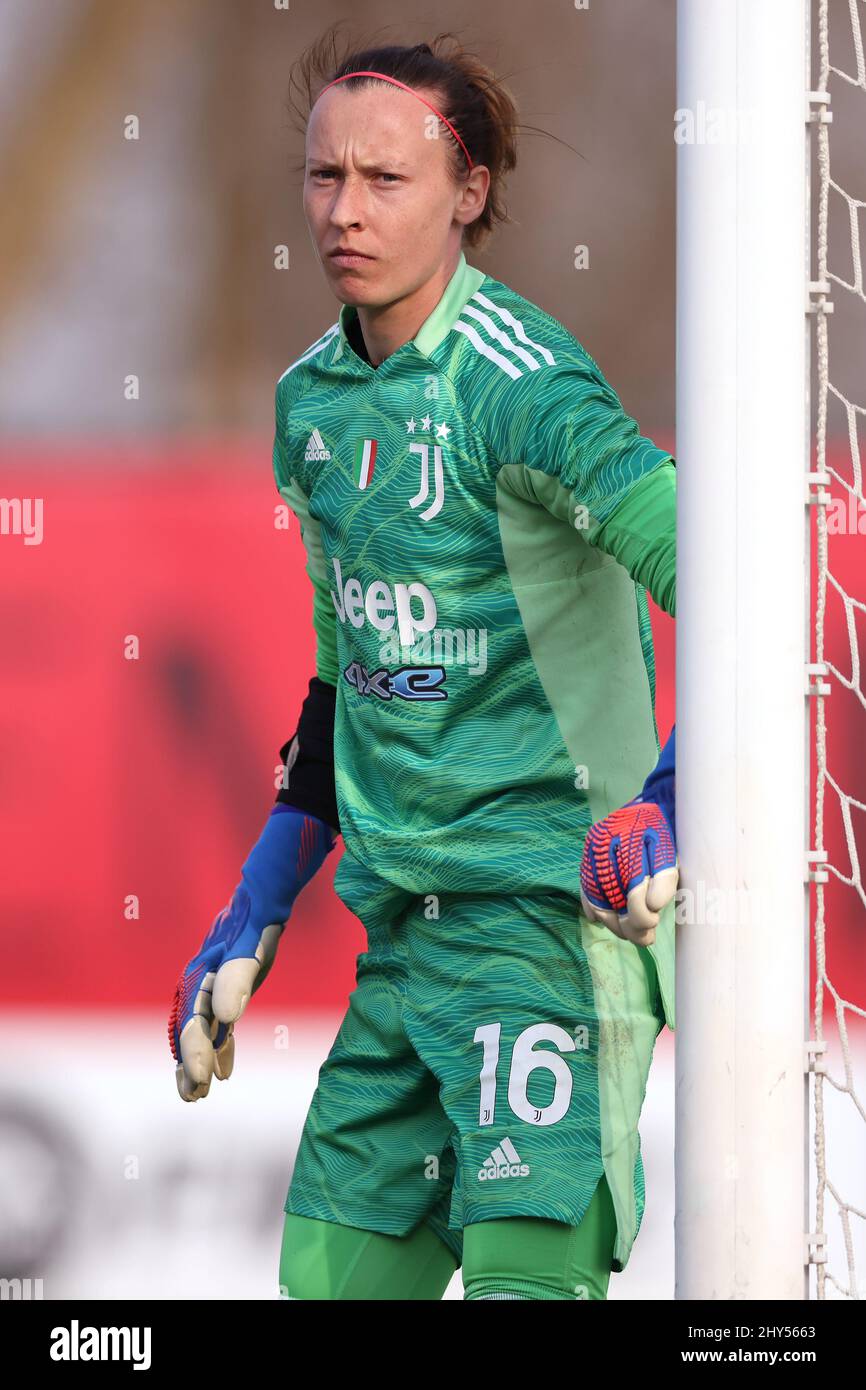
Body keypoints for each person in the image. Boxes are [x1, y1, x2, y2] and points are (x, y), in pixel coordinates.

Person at [169, 29, 678, 1301]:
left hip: (546, 917)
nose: (344, 211)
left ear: (469, 191)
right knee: (324, 1285)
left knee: (524, 1285)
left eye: (384, 180)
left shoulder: (526, 387)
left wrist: (669, 801)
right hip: (400, 939)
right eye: (323, 175)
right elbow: (347, 680)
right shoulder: (311, 409)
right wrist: (258, 902)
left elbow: (730, 588)